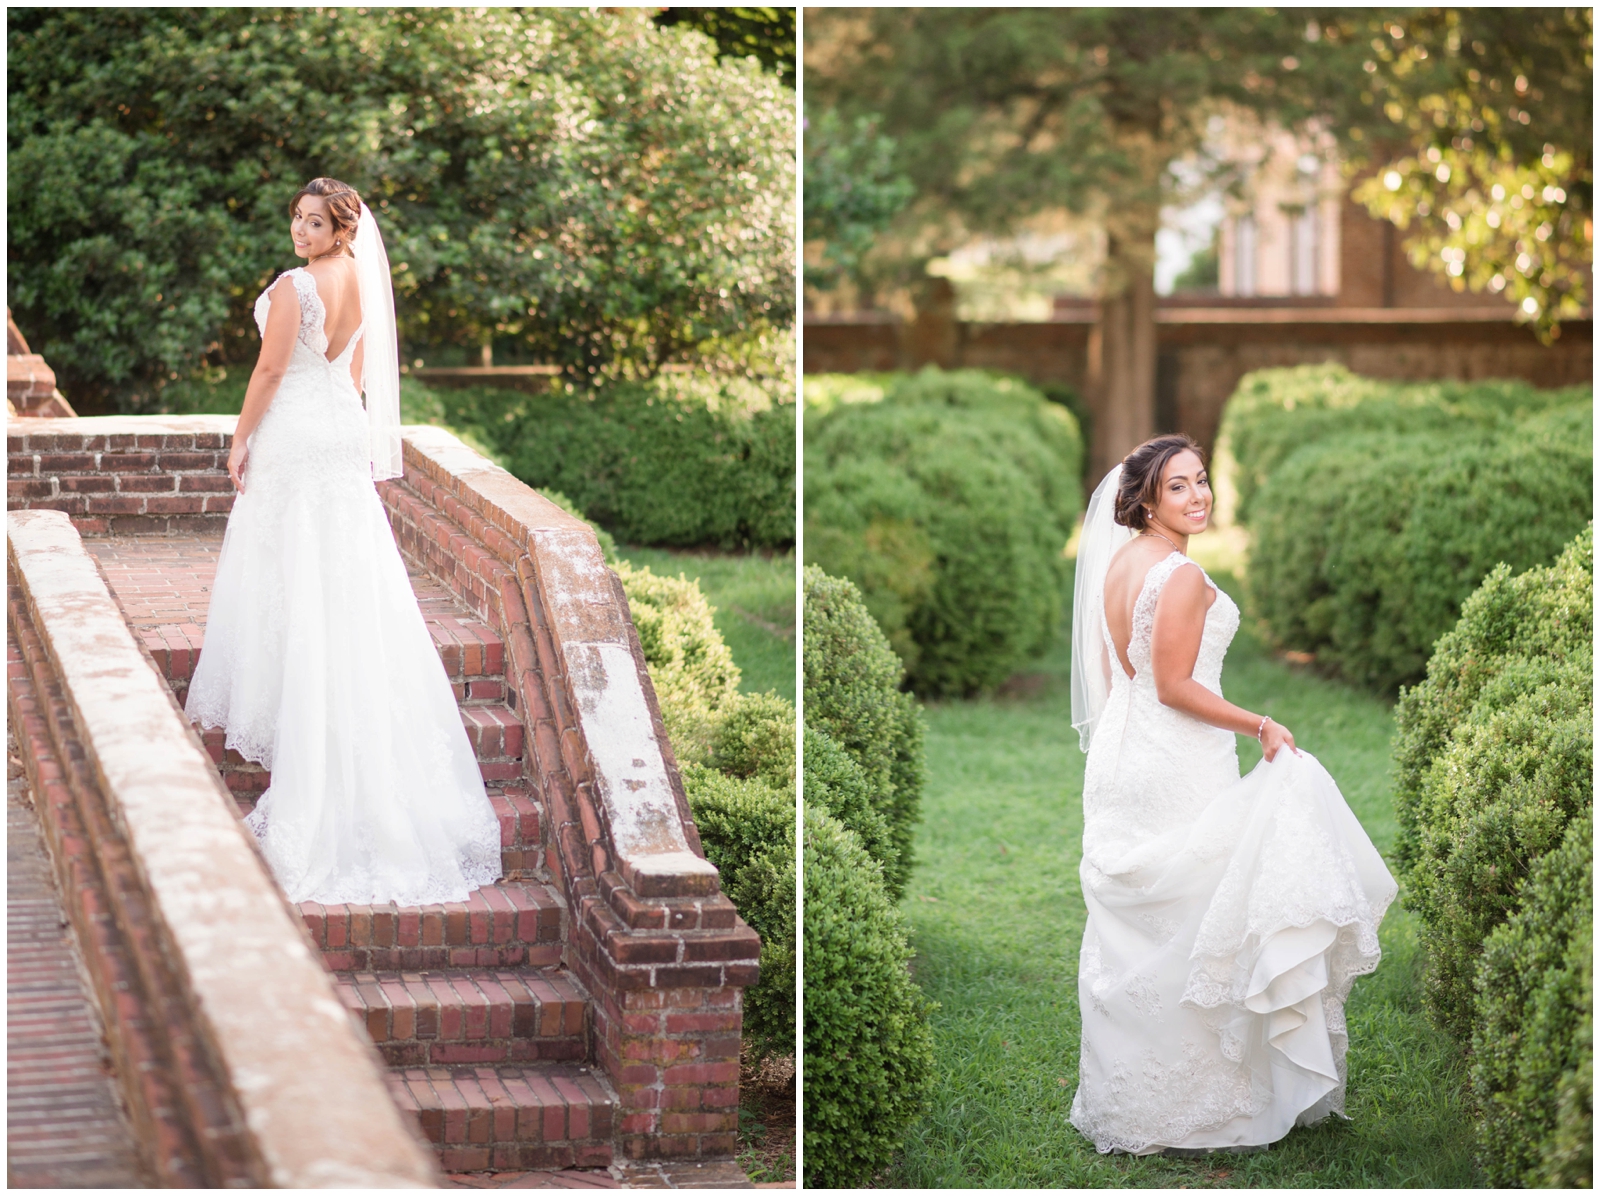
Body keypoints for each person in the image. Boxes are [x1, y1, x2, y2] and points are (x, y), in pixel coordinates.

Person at [1067, 433, 1396, 1155]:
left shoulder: (1121, 565)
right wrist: (1261, 724)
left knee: (1149, 925)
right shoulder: (1178, 576)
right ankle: (1203, 1105)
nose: (1198, 496)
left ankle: (1135, 1104)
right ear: (1146, 499)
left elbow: (1117, 669)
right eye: (1178, 486)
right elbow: (1176, 686)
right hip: (1176, 757)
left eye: (1202, 480)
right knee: (1199, 912)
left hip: (1125, 756)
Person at [186, 178, 501, 907]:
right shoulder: (362, 278)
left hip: (297, 433)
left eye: (315, 221)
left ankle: (304, 708)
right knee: (344, 574)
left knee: (289, 565)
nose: (300, 230)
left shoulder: (297, 285)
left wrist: (240, 440)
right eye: (297, 218)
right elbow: (355, 369)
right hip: (337, 426)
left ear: (340, 228)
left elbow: (268, 370)